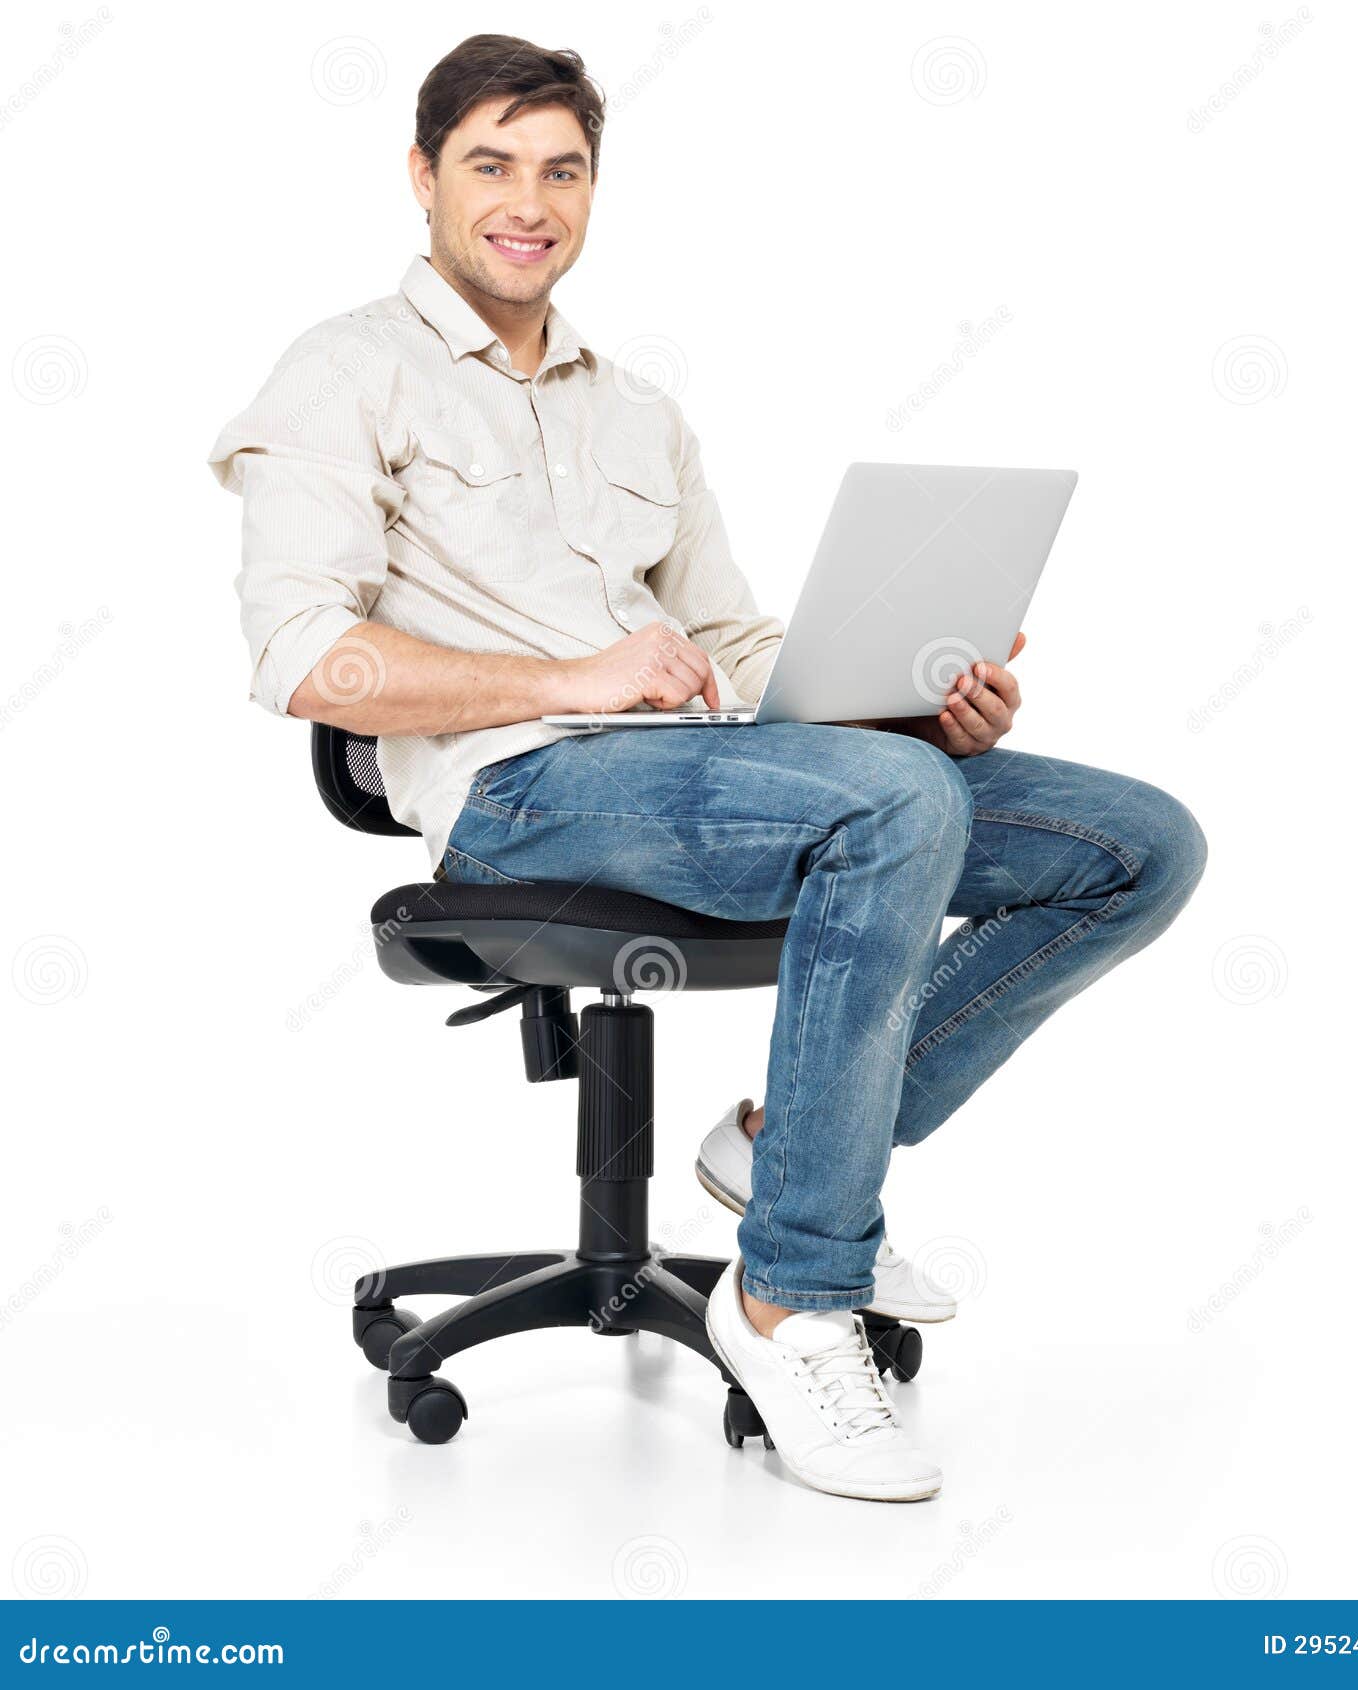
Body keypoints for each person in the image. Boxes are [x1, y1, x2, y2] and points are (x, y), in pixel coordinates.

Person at [208, 34, 1206, 1502]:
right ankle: (791, 1296)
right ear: (423, 178)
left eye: (562, 169)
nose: (527, 200)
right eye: (490, 164)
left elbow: (734, 637)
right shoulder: (344, 370)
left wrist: (919, 701)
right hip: (520, 795)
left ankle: (779, 1147)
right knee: (895, 807)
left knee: (1136, 843)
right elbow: (300, 656)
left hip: (710, 778)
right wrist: (572, 678)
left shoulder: (636, 409)